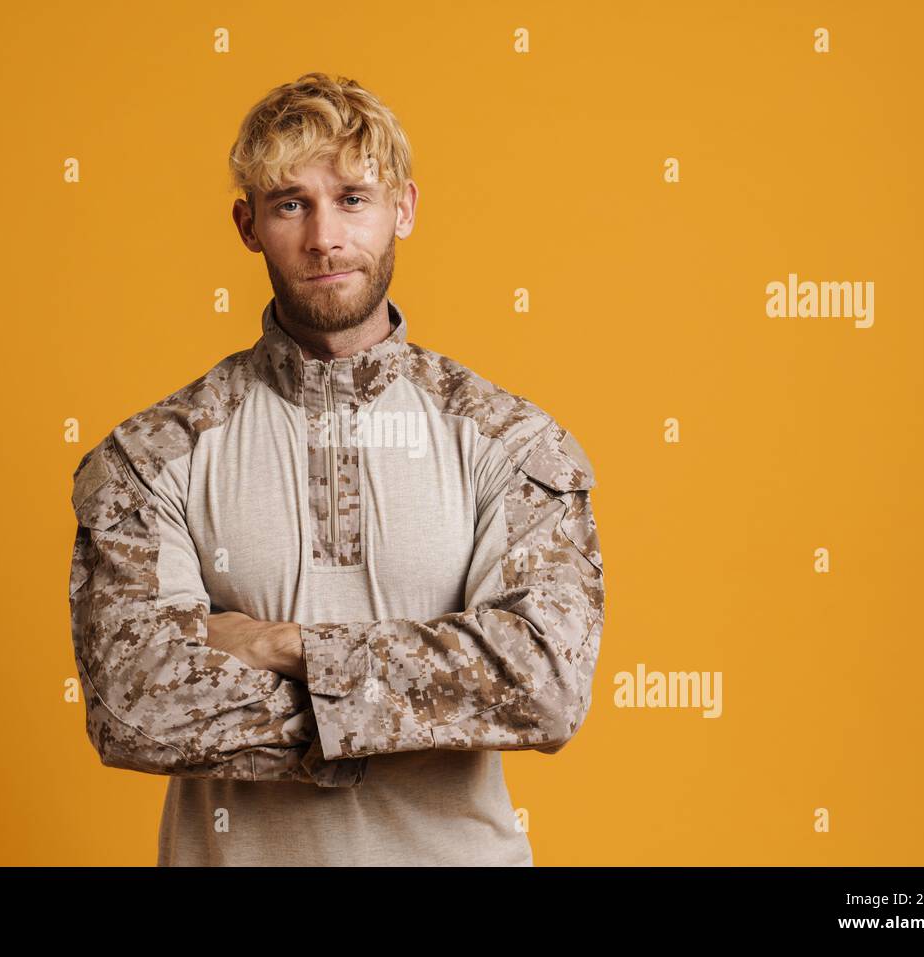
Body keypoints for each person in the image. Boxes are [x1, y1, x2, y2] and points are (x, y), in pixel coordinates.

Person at [67, 71, 605, 866]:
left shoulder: (511, 442)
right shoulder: (153, 456)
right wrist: (428, 696)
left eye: (353, 197)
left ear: (404, 210)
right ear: (248, 225)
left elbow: (545, 685)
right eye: (292, 203)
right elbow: (137, 705)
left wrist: (283, 645)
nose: (325, 238)